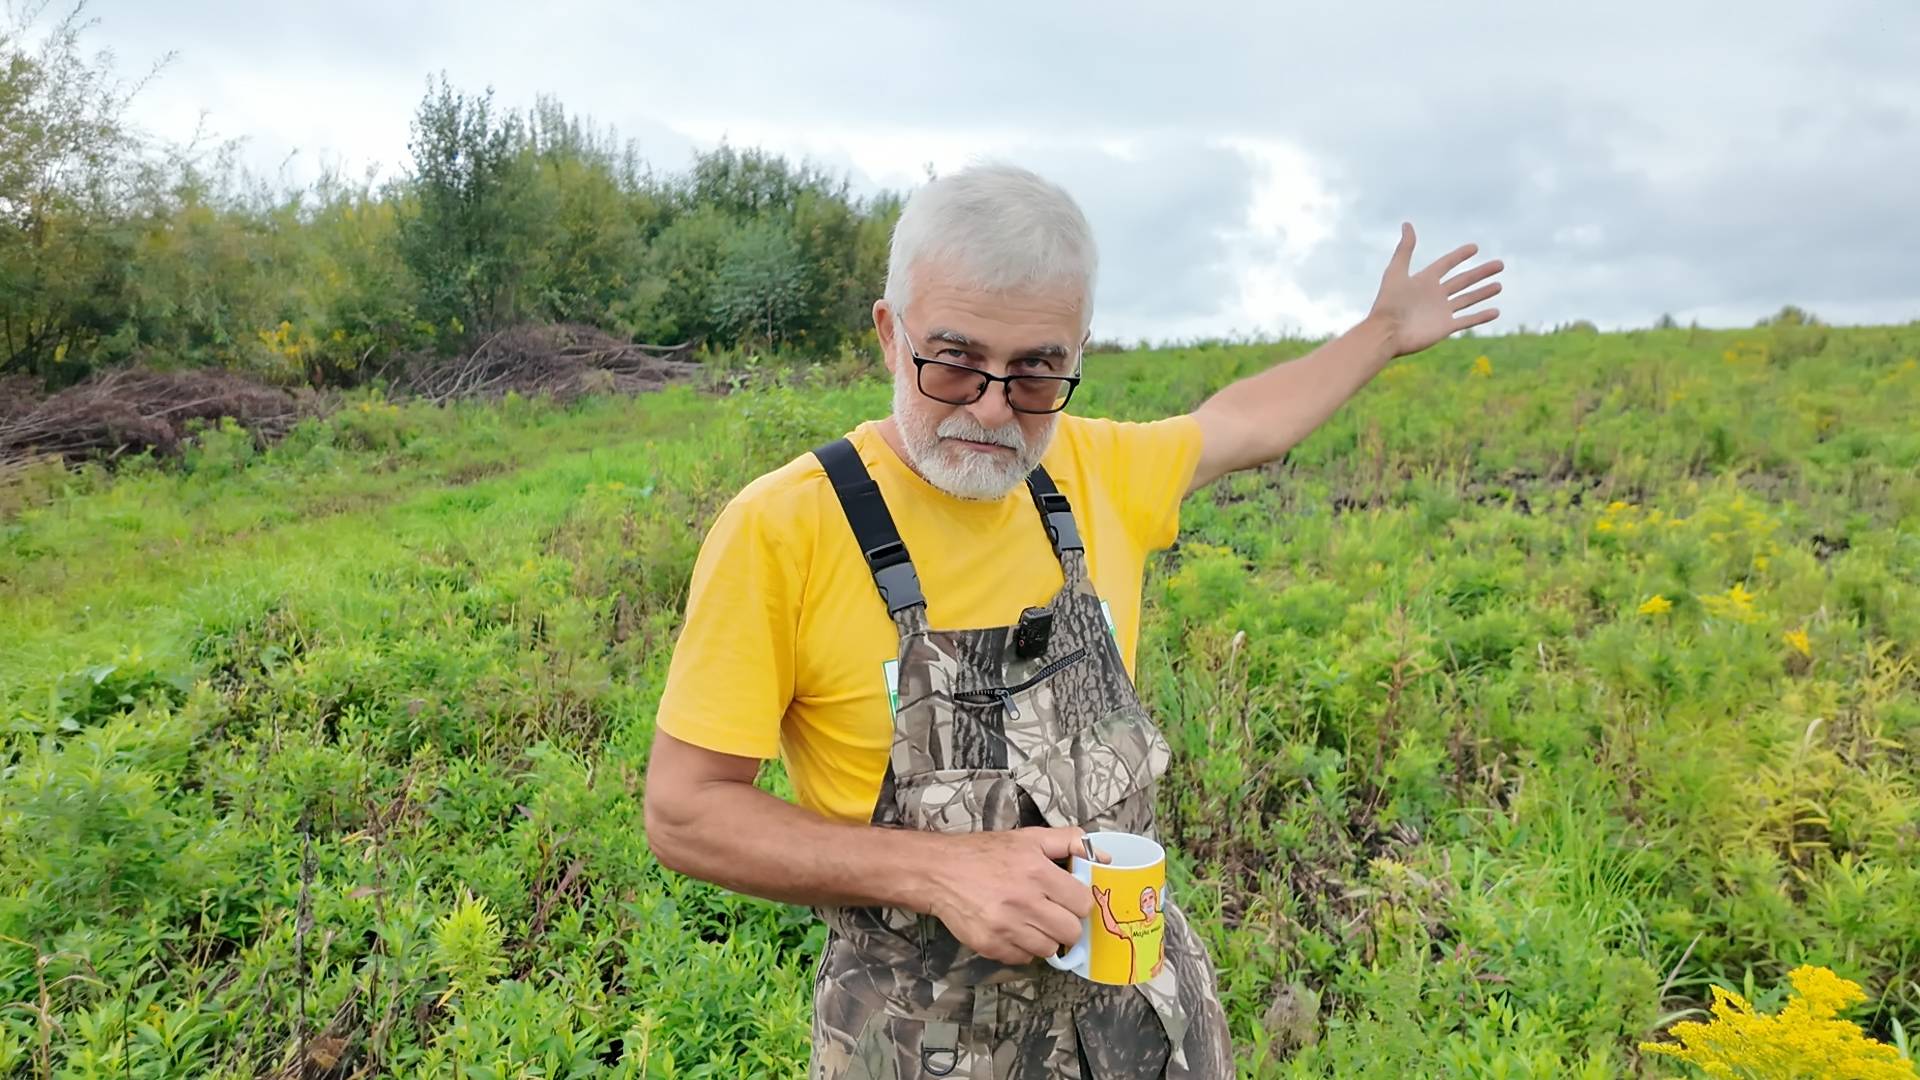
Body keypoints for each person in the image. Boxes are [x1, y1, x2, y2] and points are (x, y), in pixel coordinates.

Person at [644, 163, 1503, 1078]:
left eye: (1035, 372)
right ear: (891, 335)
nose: (989, 409)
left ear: (1078, 353)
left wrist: (1382, 333)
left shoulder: (1095, 474)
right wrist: (938, 871)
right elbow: (686, 811)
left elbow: (1248, 423)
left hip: (1136, 1019)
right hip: (922, 1042)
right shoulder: (786, 528)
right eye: (956, 360)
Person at [1093, 885, 1166, 985]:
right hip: (1136, 981)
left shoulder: (1161, 918)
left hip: (1156, 978)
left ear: (1156, 900)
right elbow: (1113, 927)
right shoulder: (1135, 927)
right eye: (1144, 901)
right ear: (1142, 907)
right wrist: (1104, 906)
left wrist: (1161, 961)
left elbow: (1161, 940)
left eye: (1150, 897)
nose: (1148, 902)